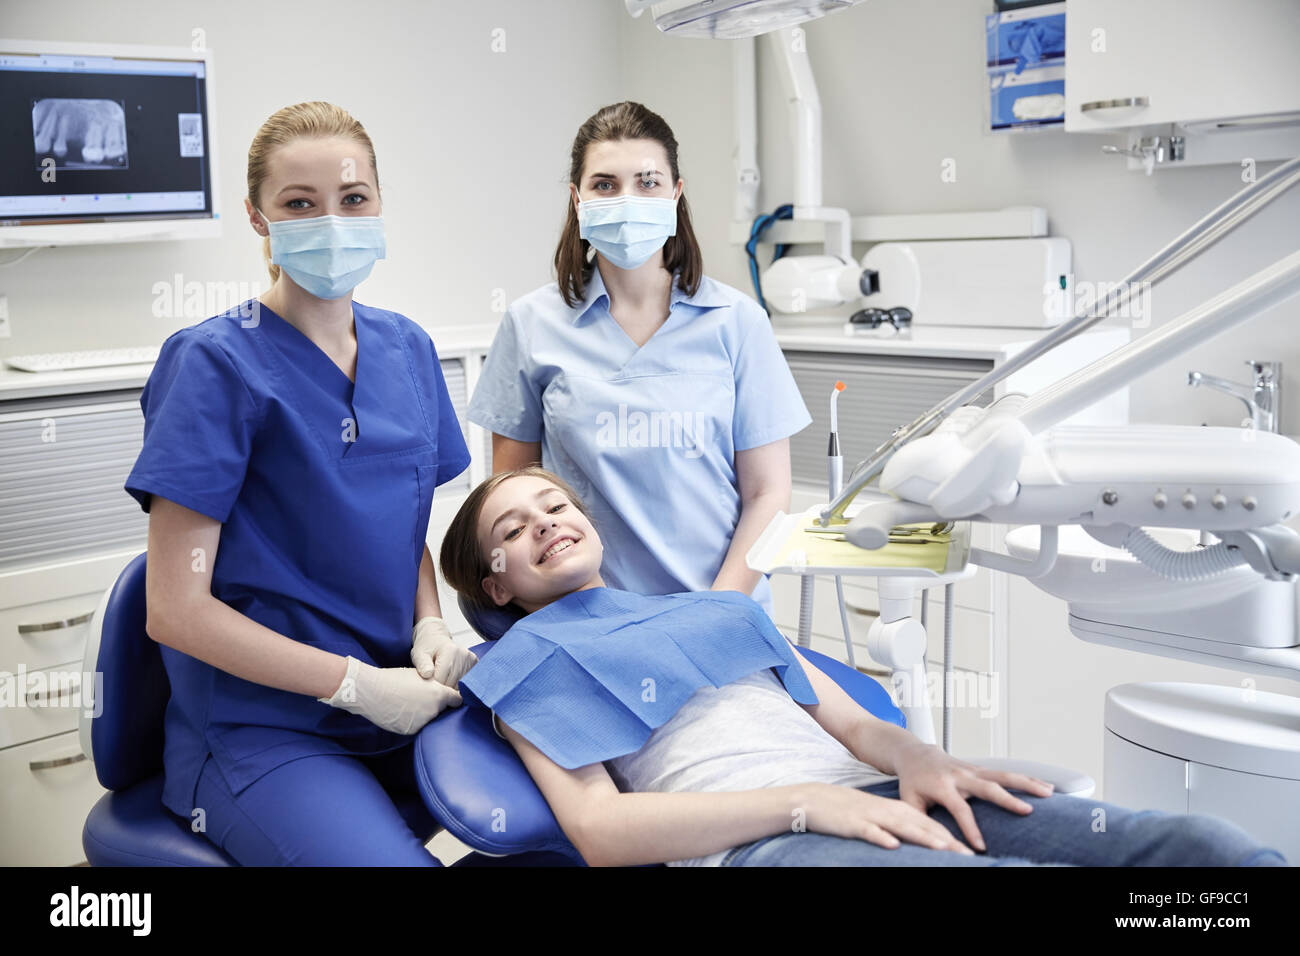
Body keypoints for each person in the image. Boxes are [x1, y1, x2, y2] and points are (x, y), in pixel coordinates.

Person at [438, 466, 1289, 868]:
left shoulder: (716, 610)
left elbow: (846, 723)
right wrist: (810, 807)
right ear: (493, 582)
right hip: (763, 840)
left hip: (880, 790)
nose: (545, 521)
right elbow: (599, 832)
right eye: (511, 529)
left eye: (554, 503)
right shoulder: (527, 664)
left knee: (1192, 848)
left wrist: (920, 756)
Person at [124, 101, 474, 866]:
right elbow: (175, 611)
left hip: (405, 705)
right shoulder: (213, 366)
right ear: (258, 219)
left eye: (353, 201)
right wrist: (356, 686)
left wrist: (431, 626)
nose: (333, 222)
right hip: (266, 734)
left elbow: (403, 522)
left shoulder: (408, 349)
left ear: (380, 205)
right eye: (300, 205)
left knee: (590, 814)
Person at [466, 101, 810, 618]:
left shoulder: (738, 322)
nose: (626, 199)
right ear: (577, 199)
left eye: (647, 182)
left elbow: (767, 491)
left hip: (720, 608)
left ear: (675, 193)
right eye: (605, 184)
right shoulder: (531, 324)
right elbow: (512, 499)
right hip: (587, 620)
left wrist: (721, 612)